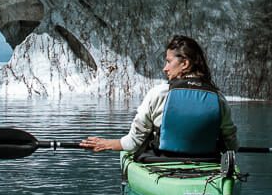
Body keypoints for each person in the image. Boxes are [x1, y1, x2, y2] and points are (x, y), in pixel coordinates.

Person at [79, 34, 238, 159]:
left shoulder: (160, 93)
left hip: (164, 162)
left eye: (169, 62)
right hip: (207, 163)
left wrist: (107, 144)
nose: (165, 68)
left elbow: (133, 143)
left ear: (185, 64)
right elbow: (231, 145)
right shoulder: (218, 98)